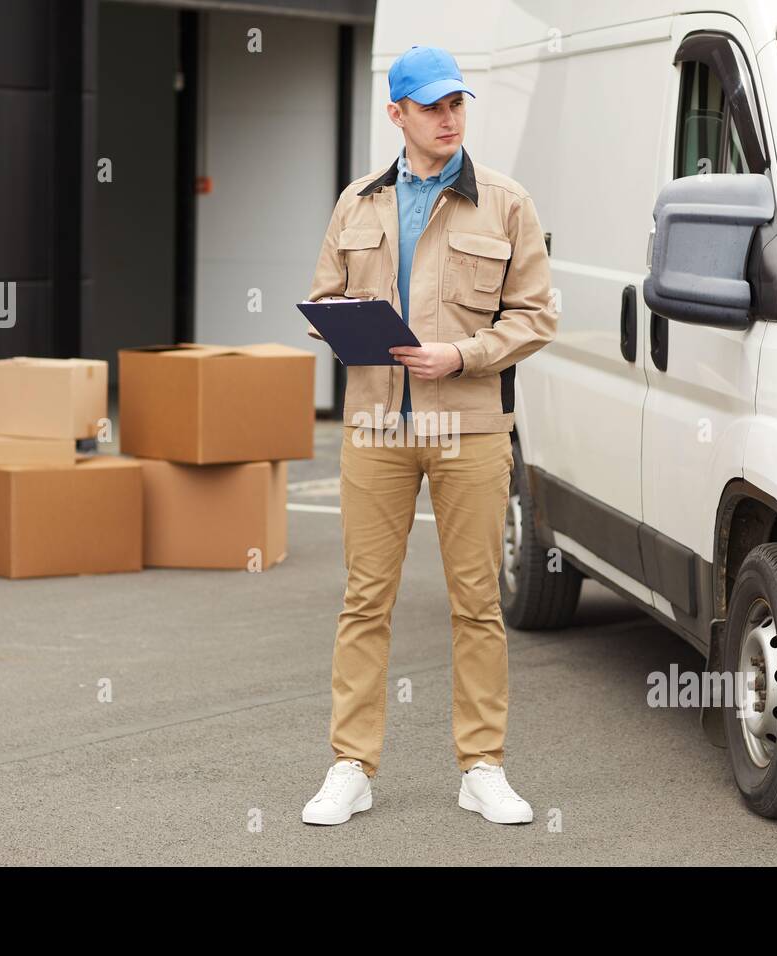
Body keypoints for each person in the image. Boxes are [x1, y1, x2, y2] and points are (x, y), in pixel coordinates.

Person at [300, 44, 557, 825]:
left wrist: (463, 354)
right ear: (397, 115)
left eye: (458, 104)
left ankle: (482, 767)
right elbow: (325, 295)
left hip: (470, 427)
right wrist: (343, 325)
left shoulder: (506, 202)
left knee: (477, 602)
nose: (450, 118)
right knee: (364, 600)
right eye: (433, 106)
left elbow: (537, 316)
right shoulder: (358, 203)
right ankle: (351, 765)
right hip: (376, 424)